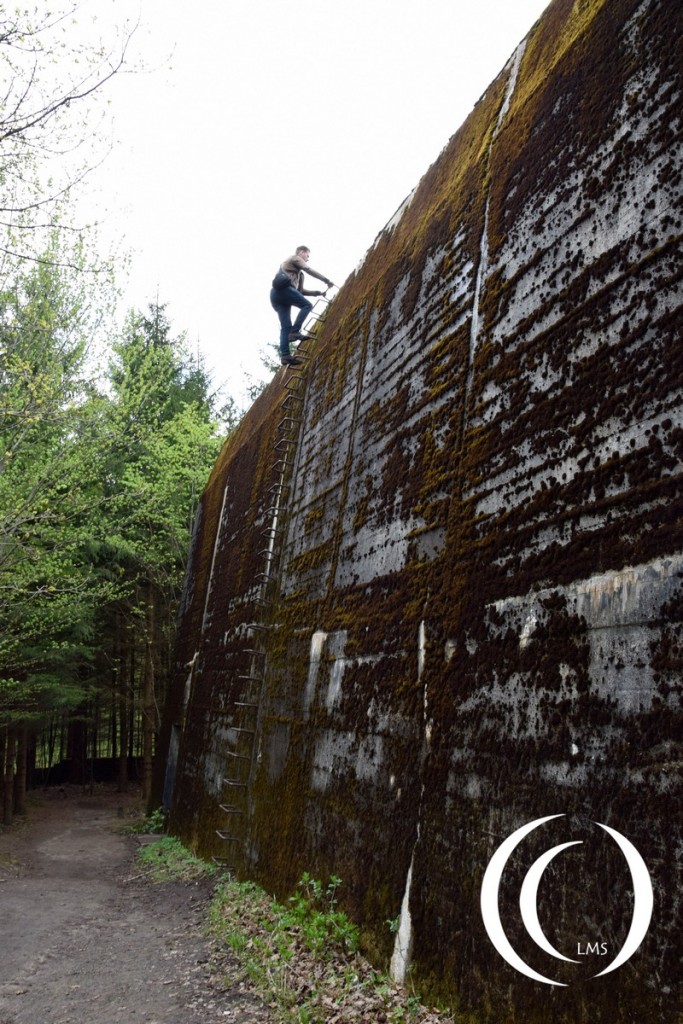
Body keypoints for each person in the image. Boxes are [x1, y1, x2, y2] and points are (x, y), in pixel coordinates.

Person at [271, 246, 334, 366]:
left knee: (285, 327)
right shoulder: (294, 258)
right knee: (307, 305)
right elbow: (308, 269)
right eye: (307, 255)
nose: (308, 259)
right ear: (301, 252)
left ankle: (285, 356)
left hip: (276, 295)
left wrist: (317, 293)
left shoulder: (298, 274)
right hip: (283, 290)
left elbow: (300, 292)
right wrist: (326, 280)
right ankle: (295, 332)